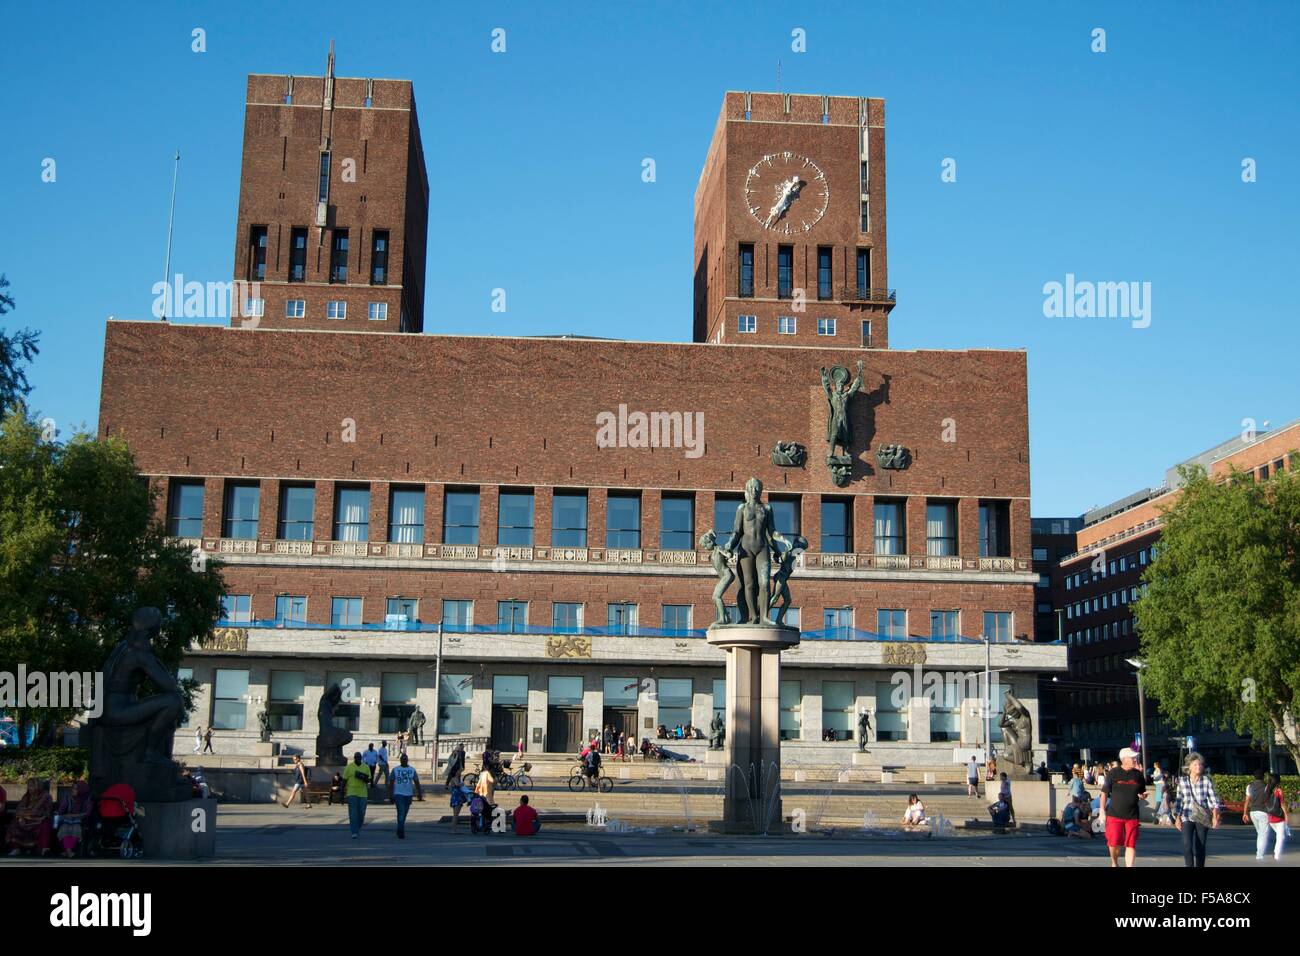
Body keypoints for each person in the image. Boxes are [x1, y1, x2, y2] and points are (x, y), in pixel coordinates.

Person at [1099, 746, 1146, 868]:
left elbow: (1141, 792)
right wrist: (1102, 811)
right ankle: (1114, 863)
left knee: (1131, 844)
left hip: (1132, 815)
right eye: (1133, 757)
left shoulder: (1138, 775)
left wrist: (1142, 796)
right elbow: (1104, 792)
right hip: (1114, 814)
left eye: (1135, 757)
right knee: (1114, 843)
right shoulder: (1113, 773)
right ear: (1124, 759)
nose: (1135, 759)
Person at [1173, 752, 1221, 867]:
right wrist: (1177, 818)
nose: (1198, 767)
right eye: (1195, 765)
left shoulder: (1206, 780)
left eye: (1200, 765)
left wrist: (1215, 817)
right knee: (1187, 845)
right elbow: (1179, 801)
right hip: (1186, 816)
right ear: (1189, 766)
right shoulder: (1183, 781)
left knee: (1200, 845)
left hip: (1202, 817)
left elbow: (1214, 801)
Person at [6, 778, 53, 856]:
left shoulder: (45, 796)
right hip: (26, 819)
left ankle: (44, 849)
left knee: (44, 824)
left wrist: (31, 814)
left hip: (39, 819)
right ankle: (16, 848)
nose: (29, 788)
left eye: (31, 786)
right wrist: (21, 817)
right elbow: (19, 808)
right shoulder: (27, 796)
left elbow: (46, 811)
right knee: (14, 823)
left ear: (37, 786)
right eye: (28, 786)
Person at [388, 751, 422, 839]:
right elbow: (391, 783)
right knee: (401, 812)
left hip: (408, 794)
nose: (404, 761)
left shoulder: (412, 770)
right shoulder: (395, 770)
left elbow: (416, 782)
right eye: (402, 759)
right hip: (398, 794)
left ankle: (399, 827)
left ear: (407, 760)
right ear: (400, 760)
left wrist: (419, 793)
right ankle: (401, 831)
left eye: (405, 759)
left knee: (404, 813)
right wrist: (390, 794)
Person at [55, 779, 92, 857]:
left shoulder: (87, 799)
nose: (73, 790)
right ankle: (69, 851)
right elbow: (61, 810)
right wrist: (59, 814)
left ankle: (67, 851)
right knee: (64, 829)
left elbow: (87, 813)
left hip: (80, 820)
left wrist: (74, 816)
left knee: (75, 829)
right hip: (67, 820)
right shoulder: (68, 798)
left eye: (75, 789)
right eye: (73, 788)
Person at [342, 751, 372, 839]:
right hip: (352, 792)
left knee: (361, 813)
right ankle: (354, 831)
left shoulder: (366, 767)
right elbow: (344, 780)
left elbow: (369, 780)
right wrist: (341, 792)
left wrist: (363, 777)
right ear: (354, 758)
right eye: (356, 758)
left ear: (361, 758)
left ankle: (358, 826)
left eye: (359, 758)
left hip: (363, 793)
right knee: (353, 813)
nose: (358, 759)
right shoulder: (349, 767)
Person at [1262, 773, 1289, 861]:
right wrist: (1286, 815)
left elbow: (1265, 802)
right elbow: (1282, 804)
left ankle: (1276, 853)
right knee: (1281, 837)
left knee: (1280, 835)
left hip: (1270, 817)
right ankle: (1276, 855)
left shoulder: (1266, 789)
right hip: (1279, 817)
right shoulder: (1279, 791)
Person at [473, 758, 497, 834]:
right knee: (488, 810)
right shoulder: (487, 773)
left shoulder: (483, 773)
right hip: (487, 794)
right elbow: (492, 781)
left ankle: (481, 824)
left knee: (482, 810)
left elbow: (479, 783)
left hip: (482, 793)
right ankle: (485, 825)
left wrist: (476, 792)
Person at [1151, 760, 1167, 824]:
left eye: (1154, 764)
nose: (1154, 765)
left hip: (1159, 785)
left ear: (1156, 765)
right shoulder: (1157, 770)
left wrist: (1154, 779)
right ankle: (1156, 818)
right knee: (1159, 801)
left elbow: (1158, 778)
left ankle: (1155, 817)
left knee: (1159, 801)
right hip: (1159, 785)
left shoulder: (1158, 770)